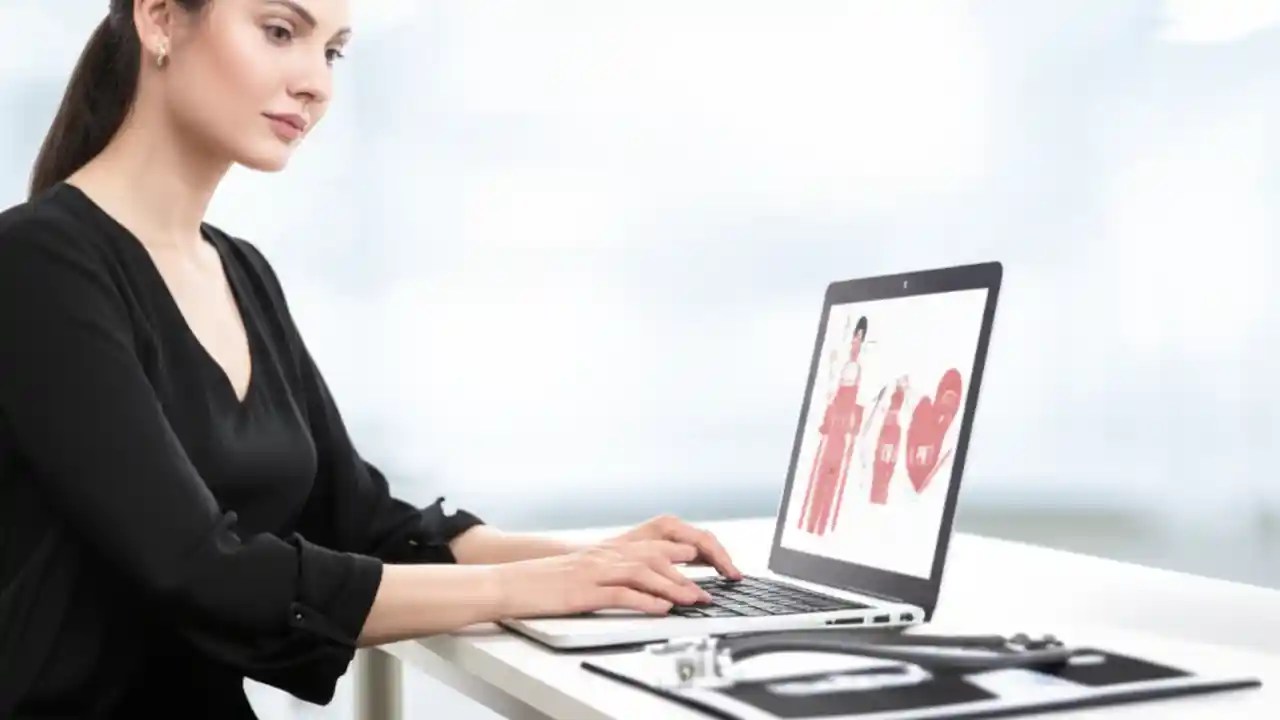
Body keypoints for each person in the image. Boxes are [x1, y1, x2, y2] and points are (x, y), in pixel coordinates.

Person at [0, 1, 741, 717]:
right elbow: (202, 570)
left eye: (332, 51)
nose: (316, 84)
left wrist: (599, 561)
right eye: (280, 31)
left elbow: (359, 520)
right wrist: (537, 585)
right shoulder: (35, 264)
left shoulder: (239, 270)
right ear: (160, 17)